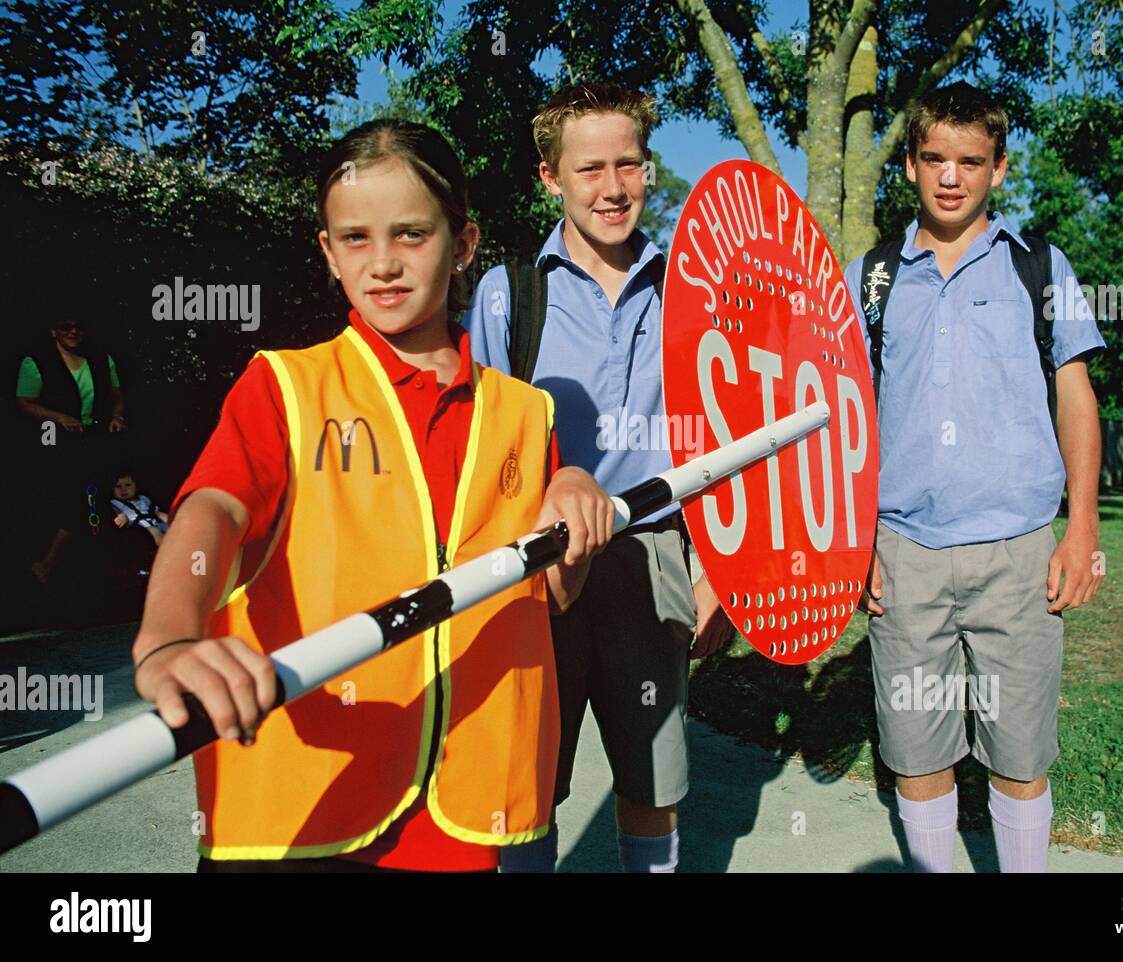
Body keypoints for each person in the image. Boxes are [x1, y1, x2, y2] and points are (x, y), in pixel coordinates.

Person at [130, 118, 614, 873]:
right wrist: (170, 635)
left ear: (465, 243)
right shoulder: (286, 386)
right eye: (354, 238)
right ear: (327, 251)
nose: (383, 263)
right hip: (297, 813)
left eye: (412, 234)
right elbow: (213, 508)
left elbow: (552, 592)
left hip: (457, 828)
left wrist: (577, 493)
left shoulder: (527, 412)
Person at [464, 82, 732, 873]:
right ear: (549, 177)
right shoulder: (509, 294)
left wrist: (718, 567)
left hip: (654, 557)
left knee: (653, 781)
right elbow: (481, 452)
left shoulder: (697, 290)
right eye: (589, 169)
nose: (613, 188)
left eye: (629, 163)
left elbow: (727, 434)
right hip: (537, 566)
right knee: (526, 783)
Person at [845, 82, 1105, 873]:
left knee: (1019, 755)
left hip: (1018, 550)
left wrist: (1083, 531)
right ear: (912, 165)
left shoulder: (1039, 267)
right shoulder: (871, 277)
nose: (950, 177)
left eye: (970, 161)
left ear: (999, 167)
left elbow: (1076, 398)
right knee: (916, 751)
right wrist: (853, 544)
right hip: (903, 553)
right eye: (933, 159)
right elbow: (842, 420)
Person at [15, 315, 129, 585]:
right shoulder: (36, 362)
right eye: (66, 327)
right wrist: (59, 418)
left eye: (79, 326)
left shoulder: (102, 359)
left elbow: (117, 395)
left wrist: (118, 416)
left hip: (96, 438)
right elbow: (25, 402)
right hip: (55, 440)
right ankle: (49, 564)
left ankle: (87, 565)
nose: (74, 332)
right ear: (53, 331)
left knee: (97, 496)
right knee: (74, 498)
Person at [109, 472, 169, 547]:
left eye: (128, 485)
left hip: (154, 520)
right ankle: (165, 548)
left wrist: (161, 515)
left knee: (170, 525)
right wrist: (122, 517)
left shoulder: (143, 498)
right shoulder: (115, 502)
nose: (123, 489)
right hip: (139, 525)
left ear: (136, 487)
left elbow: (154, 509)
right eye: (118, 486)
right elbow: (117, 512)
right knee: (155, 531)